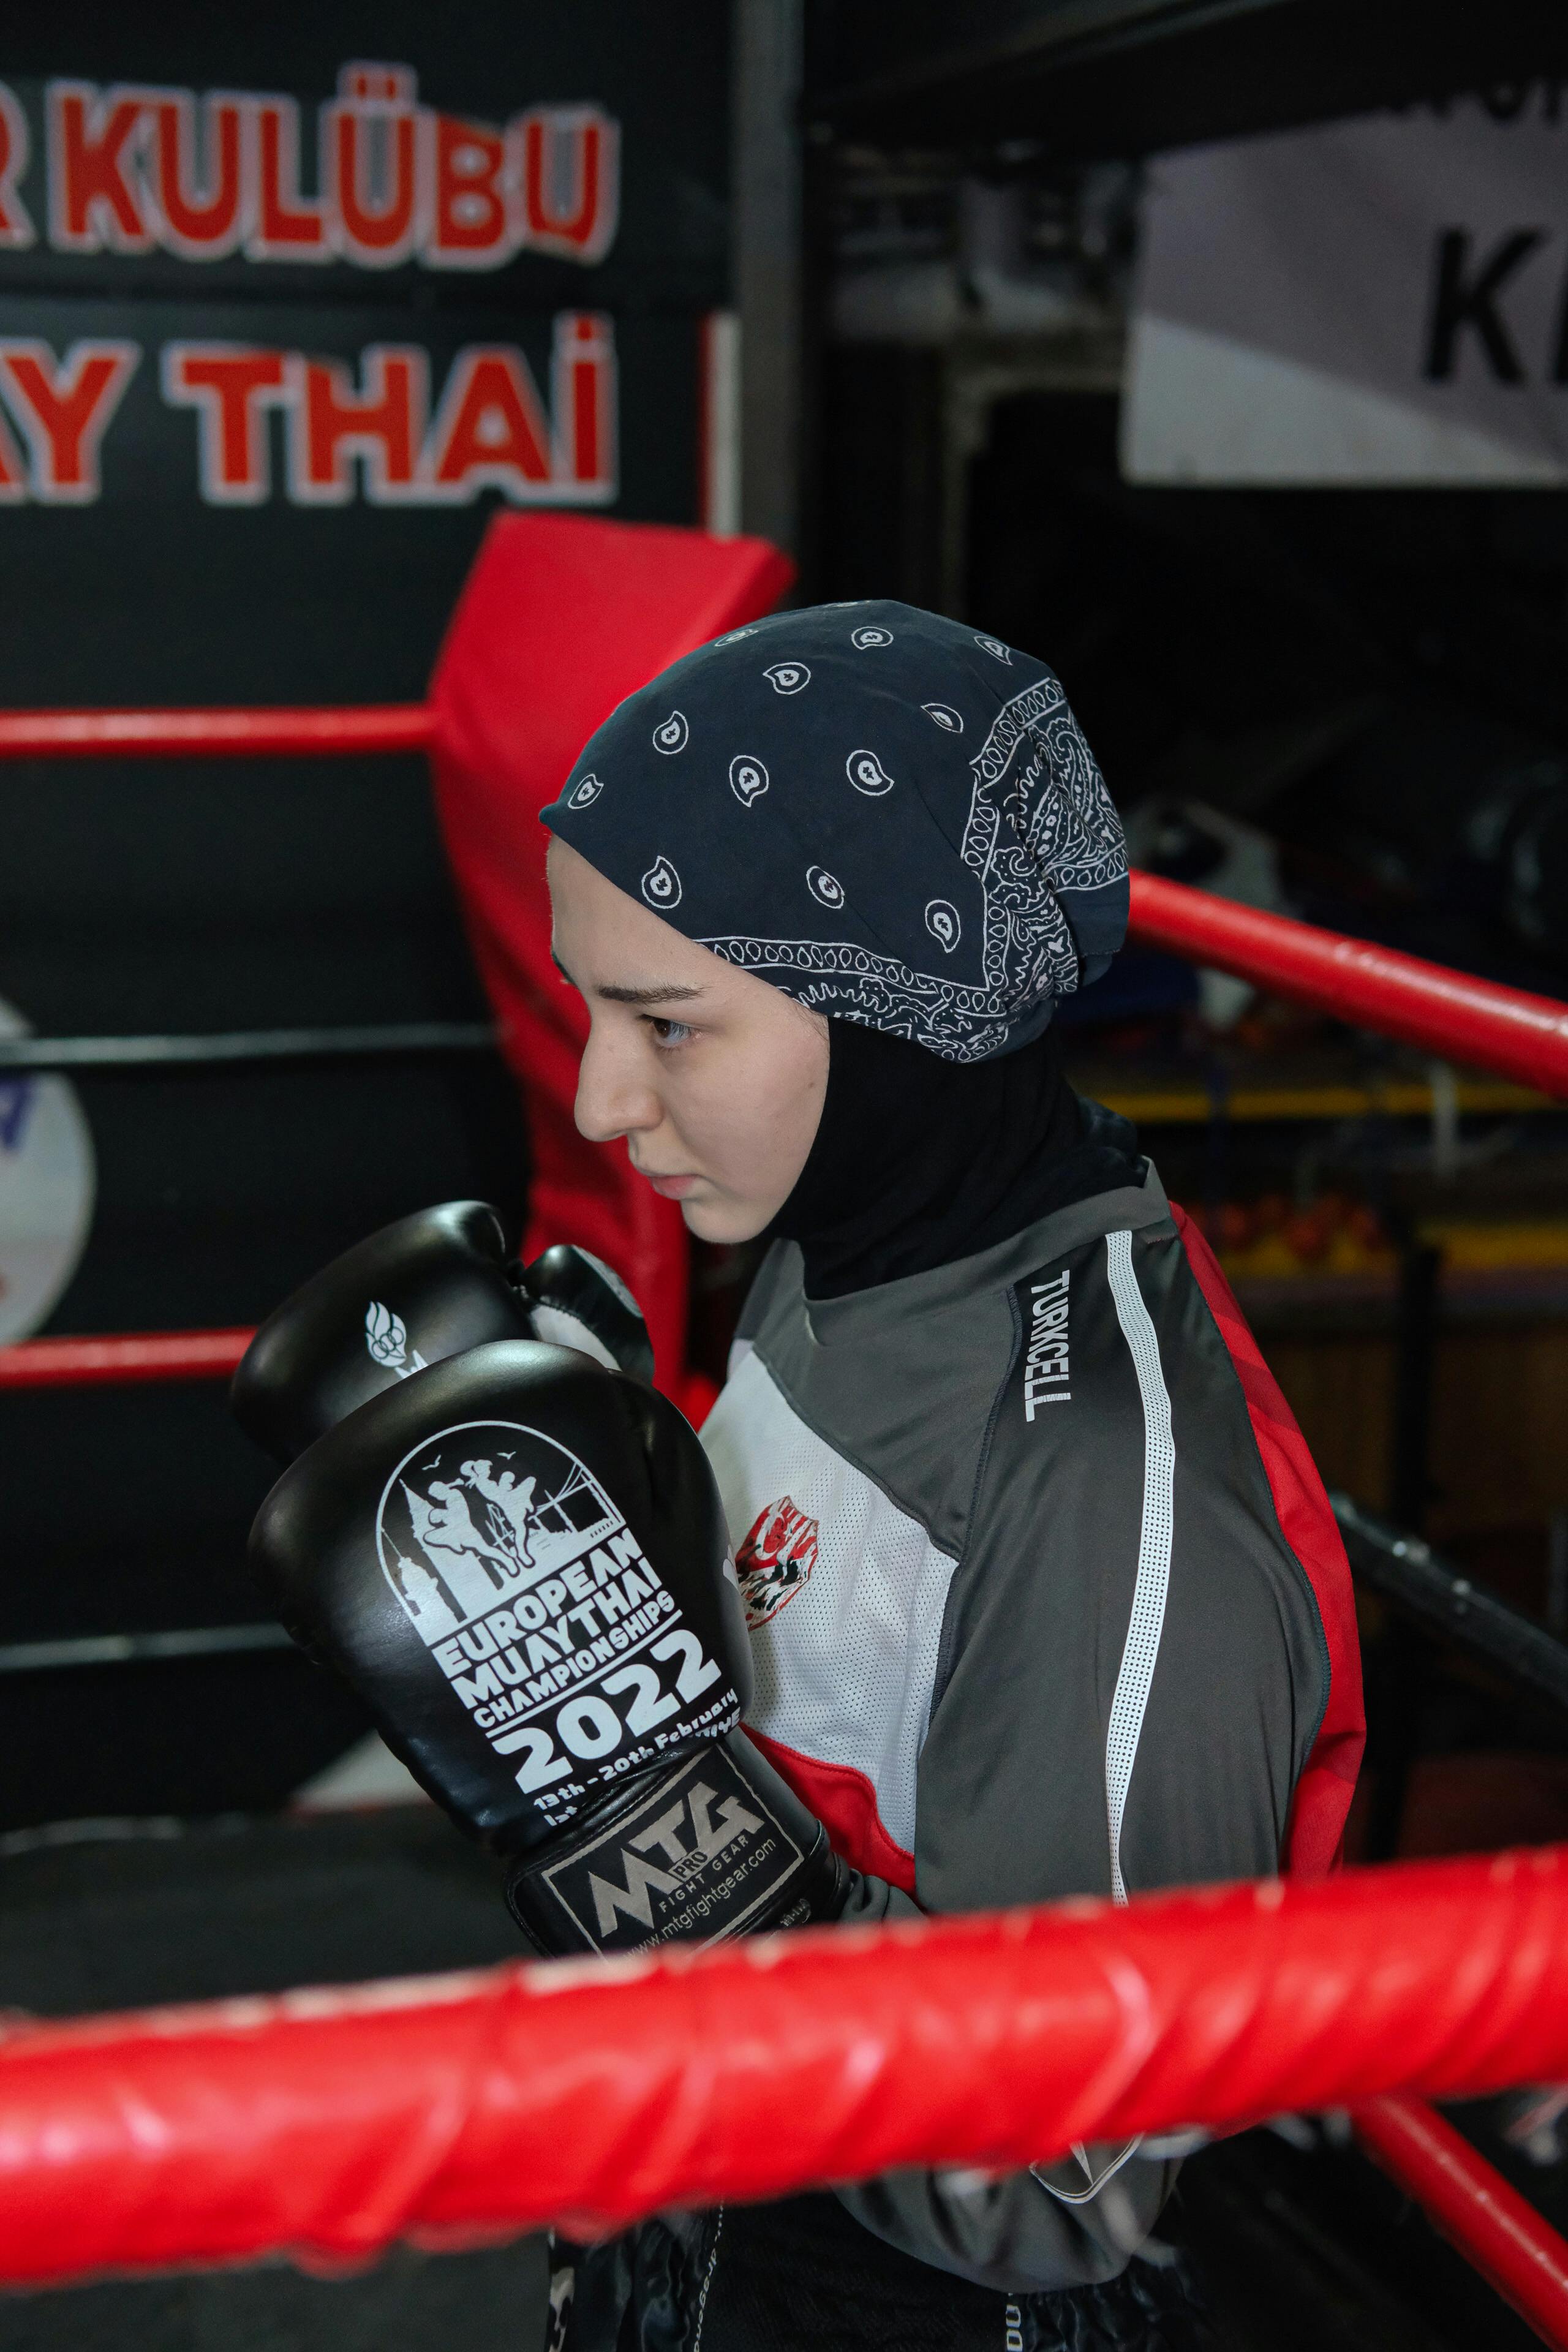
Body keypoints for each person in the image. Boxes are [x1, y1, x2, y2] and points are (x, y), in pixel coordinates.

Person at [541, 601, 1365, 2352]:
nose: (607, 1098)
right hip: (735, 2190)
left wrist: (666, 1846)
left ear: (893, 1014)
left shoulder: (1097, 1481)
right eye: (590, 1012)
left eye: (668, 1025)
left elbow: (1061, 2176)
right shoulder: (848, 1235)